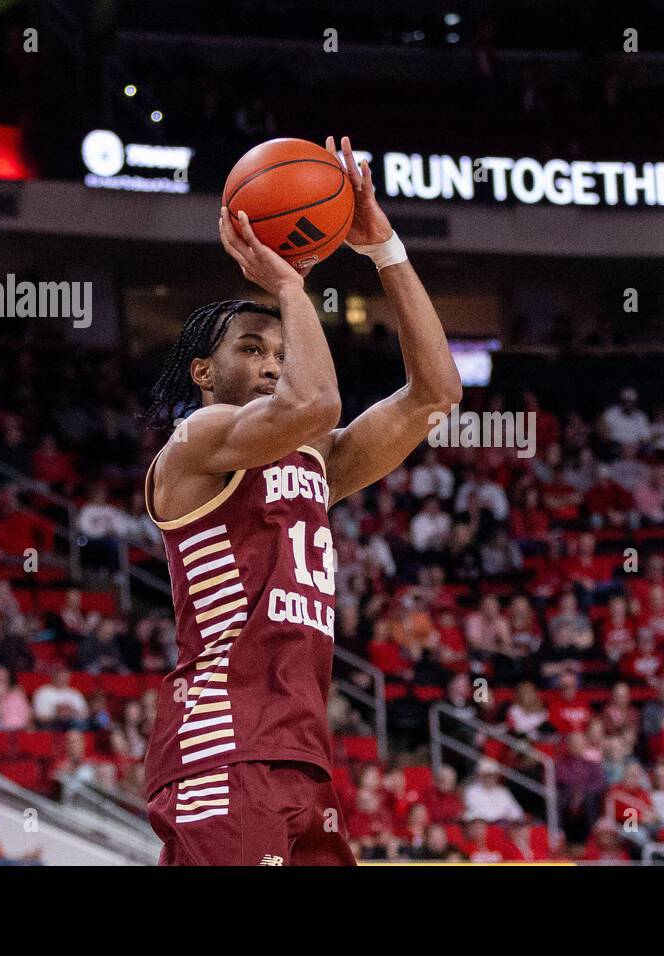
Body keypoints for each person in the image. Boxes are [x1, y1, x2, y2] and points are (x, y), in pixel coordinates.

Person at [140, 136, 461, 867]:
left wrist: (383, 247)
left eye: (280, 354)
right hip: (223, 746)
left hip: (300, 753)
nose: (271, 364)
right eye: (251, 349)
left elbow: (436, 395)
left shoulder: (315, 462)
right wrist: (290, 284)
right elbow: (315, 402)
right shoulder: (196, 443)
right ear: (203, 372)